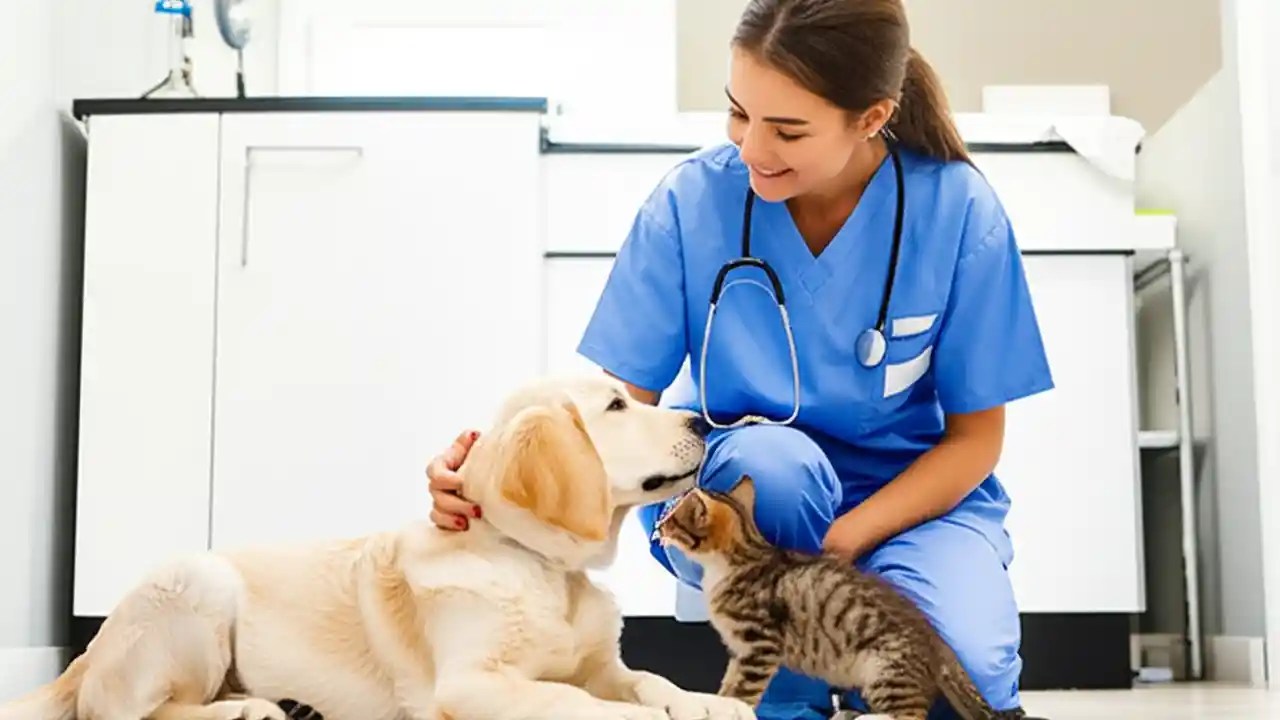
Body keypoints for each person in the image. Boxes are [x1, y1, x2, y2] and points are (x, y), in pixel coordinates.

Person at [426, 0, 1053, 718]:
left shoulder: (958, 211)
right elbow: (607, 413)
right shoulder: (693, 203)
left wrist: (841, 545)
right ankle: (782, 706)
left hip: (915, 508)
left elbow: (977, 442)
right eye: (737, 114)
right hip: (753, 501)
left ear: (872, 117)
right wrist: (485, 472)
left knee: (959, 678)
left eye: (787, 130)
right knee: (776, 467)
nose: (751, 149)